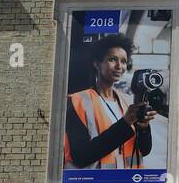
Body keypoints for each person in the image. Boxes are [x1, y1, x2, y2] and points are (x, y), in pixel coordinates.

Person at [64, 33, 155, 171]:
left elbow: (144, 150)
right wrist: (125, 122)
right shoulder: (77, 101)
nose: (119, 66)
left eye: (124, 61)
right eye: (112, 59)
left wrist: (143, 129)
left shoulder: (128, 101)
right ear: (96, 63)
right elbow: (80, 156)